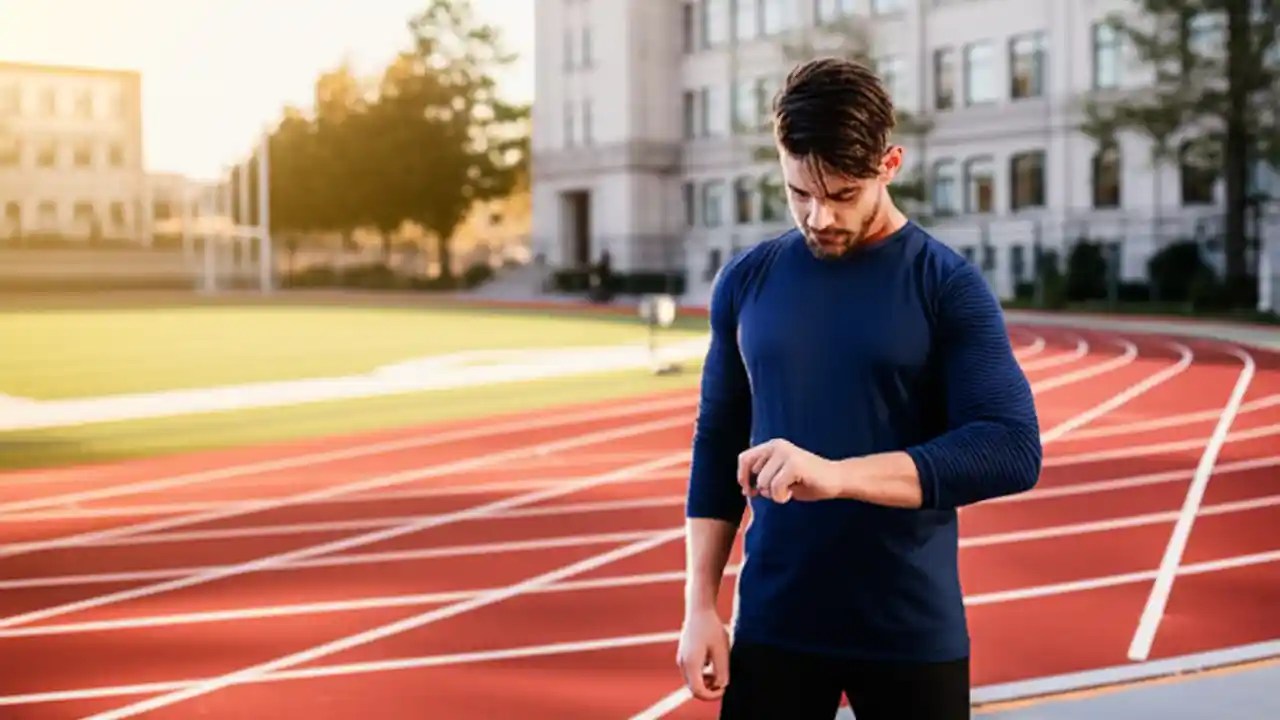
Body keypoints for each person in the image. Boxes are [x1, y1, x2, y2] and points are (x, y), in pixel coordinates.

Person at [675, 57, 1043, 719]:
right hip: (774, 622)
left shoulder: (946, 285)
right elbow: (717, 440)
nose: (818, 216)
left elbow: (1011, 448)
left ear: (890, 164)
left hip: (908, 629)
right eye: (799, 193)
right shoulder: (745, 281)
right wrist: (700, 604)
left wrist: (837, 476)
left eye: (843, 195)